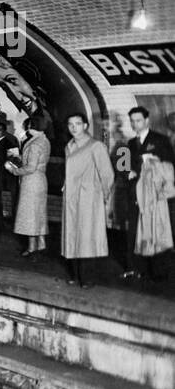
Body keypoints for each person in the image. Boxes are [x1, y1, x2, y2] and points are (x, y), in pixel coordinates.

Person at [119, 105, 175, 280]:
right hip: (135, 195)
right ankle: (136, 268)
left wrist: (150, 166)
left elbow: (169, 166)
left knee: (156, 231)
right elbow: (123, 167)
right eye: (132, 121)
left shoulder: (160, 140)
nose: (135, 124)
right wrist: (128, 173)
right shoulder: (129, 144)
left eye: (138, 120)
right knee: (135, 231)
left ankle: (159, 273)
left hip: (154, 196)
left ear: (147, 121)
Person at [59, 113, 114, 288]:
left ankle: (87, 278)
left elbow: (107, 175)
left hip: (89, 199)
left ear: (85, 125)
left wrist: (105, 199)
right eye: (70, 124)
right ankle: (75, 275)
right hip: (71, 198)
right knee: (72, 235)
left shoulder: (96, 146)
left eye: (77, 123)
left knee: (87, 238)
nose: (73, 127)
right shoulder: (69, 146)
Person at [7, 115, 49, 257]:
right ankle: (41, 243)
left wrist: (13, 170)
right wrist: (19, 158)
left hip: (31, 182)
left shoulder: (35, 144)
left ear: (32, 126)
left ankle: (31, 248)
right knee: (39, 214)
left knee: (30, 215)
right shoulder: (44, 140)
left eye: (28, 125)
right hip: (40, 180)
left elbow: (30, 167)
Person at [0, 119, 19, 227]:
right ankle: (0, 220)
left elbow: (13, 158)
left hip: (6, 175)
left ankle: (10, 221)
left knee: (8, 197)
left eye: (0, 129)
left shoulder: (9, 141)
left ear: (4, 130)